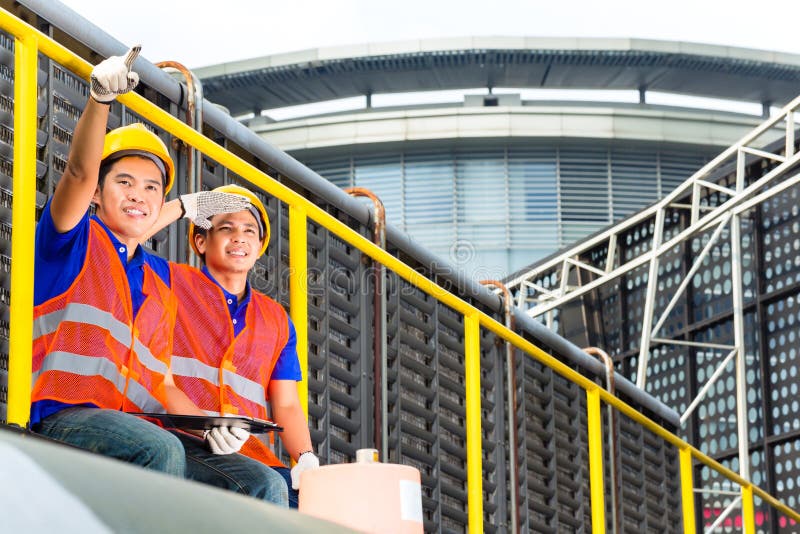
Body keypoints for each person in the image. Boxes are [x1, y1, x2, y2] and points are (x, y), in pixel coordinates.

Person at [31, 46, 249, 479]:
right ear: (97, 192)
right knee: (160, 449)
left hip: (138, 424)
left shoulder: (155, 281)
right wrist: (99, 101)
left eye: (152, 188)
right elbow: (77, 174)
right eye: (124, 182)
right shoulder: (72, 241)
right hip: (61, 419)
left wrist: (207, 427)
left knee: (255, 480)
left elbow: (163, 385)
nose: (139, 195)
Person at [146, 184, 320, 508]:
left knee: (320, 507)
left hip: (247, 455)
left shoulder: (276, 320)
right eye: (226, 228)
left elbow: (287, 404)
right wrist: (187, 206)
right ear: (201, 240)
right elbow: (124, 243)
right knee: (265, 487)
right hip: (181, 440)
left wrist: (305, 458)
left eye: (250, 230)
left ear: (259, 246)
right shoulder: (169, 282)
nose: (239, 237)